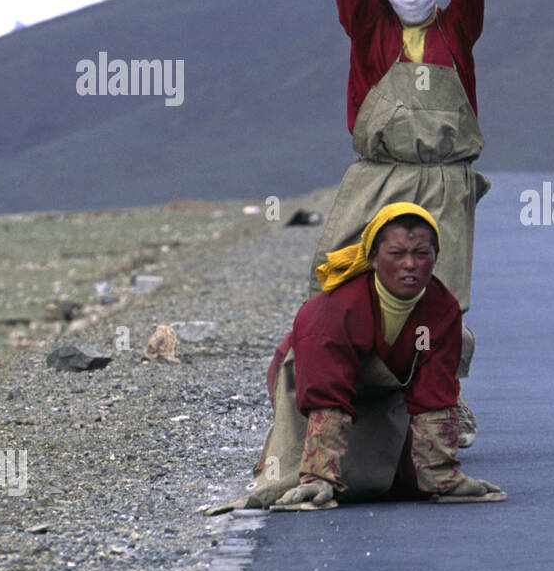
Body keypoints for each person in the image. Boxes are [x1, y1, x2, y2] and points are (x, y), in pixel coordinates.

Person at [309, 0, 490, 448]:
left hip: (444, 177)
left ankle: (441, 406)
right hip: (379, 175)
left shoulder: (458, 27)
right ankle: (345, 402)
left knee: (440, 297)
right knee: (341, 275)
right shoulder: (367, 26)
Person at [206, 203, 504, 514]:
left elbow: (433, 394)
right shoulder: (337, 309)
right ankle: (308, 472)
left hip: (380, 385)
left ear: (436, 258)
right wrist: (319, 477)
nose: (410, 264)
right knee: (300, 484)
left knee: (391, 482)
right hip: (307, 382)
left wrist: (442, 477)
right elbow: (326, 391)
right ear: (373, 258)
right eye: (397, 253)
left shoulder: (440, 309)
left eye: (420, 254)